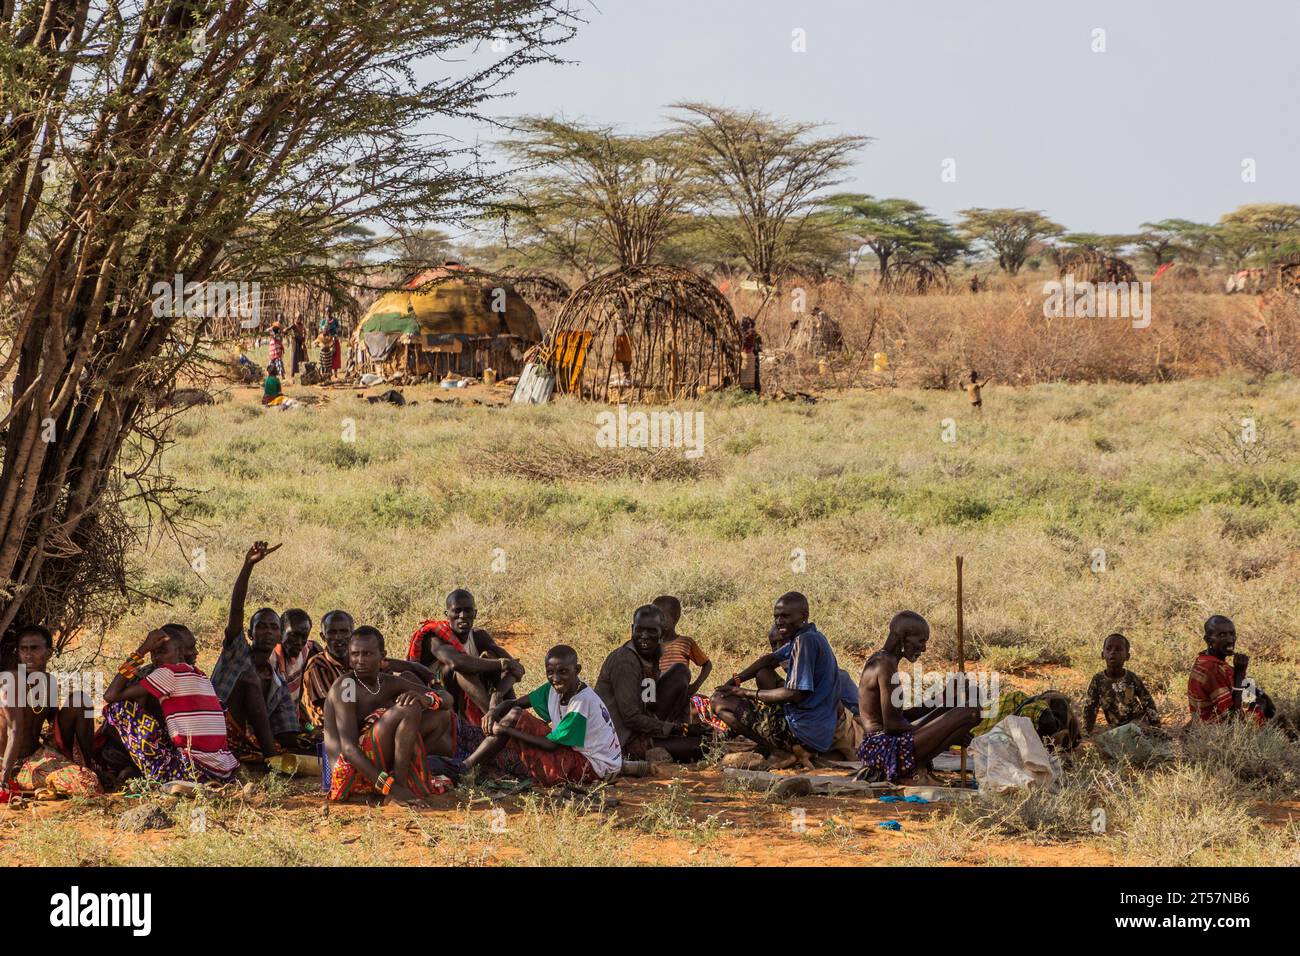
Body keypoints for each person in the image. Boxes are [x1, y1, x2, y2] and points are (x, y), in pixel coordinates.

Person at [323, 627, 455, 805]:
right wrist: (392, 788)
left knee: (440, 716)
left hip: (374, 761)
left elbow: (447, 699)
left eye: (367, 654)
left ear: (382, 656)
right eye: (355, 654)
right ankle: (398, 789)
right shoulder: (347, 686)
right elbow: (348, 749)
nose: (360, 661)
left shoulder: (387, 682)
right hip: (348, 773)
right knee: (407, 709)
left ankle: (399, 784)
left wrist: (427, 699)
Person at [711, 592, 846, 761]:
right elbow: (769, 659)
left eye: (785, 616)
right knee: (764, 673)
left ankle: (779, 752)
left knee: (718, 701)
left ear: (804, 616)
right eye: (776, 616)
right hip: (816, 730)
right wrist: (736, 680)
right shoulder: (809, 637)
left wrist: (745, 692)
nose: (779, 621)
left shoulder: (804, 642)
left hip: (802, 733)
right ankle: (774, 742)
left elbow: (794, 694)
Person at [461, 645, 622, 786]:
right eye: (550, 672)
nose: (556, 678)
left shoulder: (581, 702)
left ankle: (466, 767)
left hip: (593, 767)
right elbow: (516, 703)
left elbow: (551, 745)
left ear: (577, 670)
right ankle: (472, 765)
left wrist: (505, 731)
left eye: (563, 672)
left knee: (516, 720)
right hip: (579, 754)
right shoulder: (553, 689)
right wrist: (493, 711)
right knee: (515, 717)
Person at [102, 626, 239, 790]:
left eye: (162, 651)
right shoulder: (200, 675)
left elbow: (110, 695)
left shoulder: (168, 673)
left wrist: (141, 651)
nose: (155, 658)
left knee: (118, 708)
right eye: (153, 653)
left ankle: (165, 780)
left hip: (193, 771)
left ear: (180, 651)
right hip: (225, 772)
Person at [857, 611, 982, 784]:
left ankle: (917, 769)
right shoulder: (884, 664)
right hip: (884, 750)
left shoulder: (886, 661)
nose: (923, 648)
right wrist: (943, 731)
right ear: (904, 637)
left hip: (886, 746)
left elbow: (902, 717)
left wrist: (943, 701)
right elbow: (892, 726)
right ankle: (912, 774)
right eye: (921, 641)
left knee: (959, 706)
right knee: (971, 711)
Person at [210, 542, 307, 760]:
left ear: (280, 635)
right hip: (215, 729)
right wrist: (248, 566)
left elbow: (288, 731)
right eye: (261, 626)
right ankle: (270, 757)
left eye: (274, 627)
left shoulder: (276, 679)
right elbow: (236, 609)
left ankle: (268, 756)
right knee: (249, 679)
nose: (268, 632)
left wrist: (312, 738)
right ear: (250, 633)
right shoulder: (237, 652)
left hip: (245, 741)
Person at [0, 625, 103, 797]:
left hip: (37, 753)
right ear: (18, 653)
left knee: (80, 699)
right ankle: (21, 781)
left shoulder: (49, 682)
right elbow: (14, 731)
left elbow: (53, 723)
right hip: (9, 763)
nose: (28, 655)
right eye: (23, 649)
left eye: (34, 648)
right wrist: (3, 780)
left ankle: (88, 763)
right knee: (88, 785)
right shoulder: (10, 682)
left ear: (48, 653)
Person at [595, 605, 704, 762]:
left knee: (680, 671)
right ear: (632, 629)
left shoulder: (651, 656)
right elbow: (631, 717)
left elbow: (649, 700)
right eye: (639, 630)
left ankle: (669, 734)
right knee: (701, 747)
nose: (644, 636)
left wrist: (679, 727)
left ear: (662, 634)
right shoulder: (625, 661)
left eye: (651, 631)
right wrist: (675, 729)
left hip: (641, 724)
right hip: (622, 738)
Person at [406, 589, 524, 721]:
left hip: (481, 698)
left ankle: (514, 717)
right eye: (457, 611)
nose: (462, 616)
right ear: (447, 614)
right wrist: (503, 664)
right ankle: (495, 719)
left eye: (468, 610)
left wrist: (497, 696)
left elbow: (517, 669)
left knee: (489, 656)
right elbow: (457, 662)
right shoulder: (434, 638)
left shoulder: (479, 636)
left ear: (475, 614)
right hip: (443, 701)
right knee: (462, 669)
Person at [1188, 615, 1274, 726]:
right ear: (1209, 640)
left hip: (1213, 727)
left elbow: (1241, 688)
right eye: (1222, 635)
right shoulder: (1212, 669)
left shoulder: (1207, 660)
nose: (1230, 640)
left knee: (1259, 700)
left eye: (1232, 634)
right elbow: (1233, 720)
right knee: (1260, 706)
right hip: (1218, 735)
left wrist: (1262, 694)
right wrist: (1240, 673)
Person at [1082, 633, 1160, 734]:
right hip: (1116, 729)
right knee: (1105, 742)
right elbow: (1090, 708)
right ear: (1102, 654)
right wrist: (1086, 732)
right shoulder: (1098, 680)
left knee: (1135, 732)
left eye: (1118, 649)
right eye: (1108, 649)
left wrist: (1156, 727)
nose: (1113, 652)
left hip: (1138, 725)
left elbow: (1147, 701)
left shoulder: (1131, 677)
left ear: (1127, 656)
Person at [651, 595, 712, 723]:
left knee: (681, 673)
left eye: (661, 616)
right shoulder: (650, 644)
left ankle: (678, 727)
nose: (656, 620)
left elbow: (707, 665)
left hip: (679, 696)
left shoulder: (685, 642)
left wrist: (695, 686)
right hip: (656, 695)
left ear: (674, 619)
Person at [274, 609, 320, 726]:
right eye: (293, 635)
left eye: (303, 637)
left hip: (294, 724)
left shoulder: (304, 651)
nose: (299, 642)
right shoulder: (271, 661)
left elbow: (311, 645)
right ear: (280, 633)